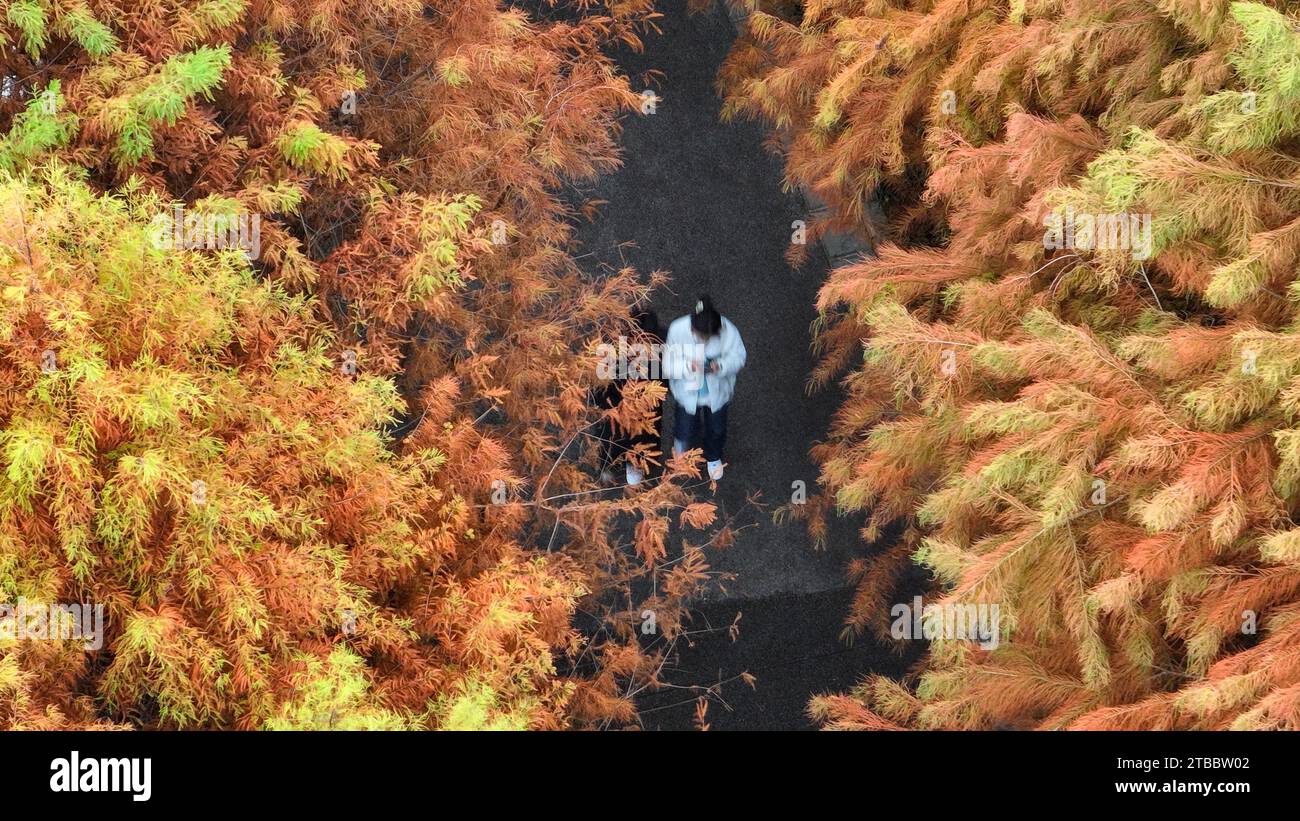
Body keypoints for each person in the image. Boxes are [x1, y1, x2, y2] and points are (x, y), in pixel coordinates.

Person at [662, 296, 747, 481]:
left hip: (717, 394)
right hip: (687, 393)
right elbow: (668, 365)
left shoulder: (728, 330)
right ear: (692, 328)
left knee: (717, 429)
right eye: (703, 337)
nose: (706, 340)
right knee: (684, 426)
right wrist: (687, 367)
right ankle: (682, 450)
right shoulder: (677, 329)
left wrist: (722, 366)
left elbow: (739, 357)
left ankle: (713, 456)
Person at [596, 309, 664, 487]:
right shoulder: (613, 349)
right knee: (614, 432)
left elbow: (662, 374)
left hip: (645, 401)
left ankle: (634, 464)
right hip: (619, 401)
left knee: (643, 433)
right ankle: (610, 464)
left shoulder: (657, 343)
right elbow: (602, 382)